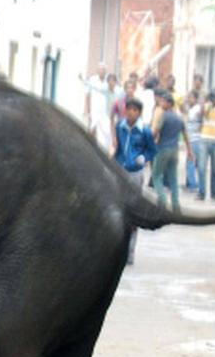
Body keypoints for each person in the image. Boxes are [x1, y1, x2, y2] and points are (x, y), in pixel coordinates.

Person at [112, 97, 158, 264]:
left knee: (132, 211)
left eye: (133, 110)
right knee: (117, 209)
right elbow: (118, 149)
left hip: (135, 174)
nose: (130, 113)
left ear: (138, 113)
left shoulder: (144, 131)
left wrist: (143, 158)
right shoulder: (120, 127)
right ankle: (117, 248)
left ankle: (130, 251)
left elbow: (152, 151)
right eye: (127, 109)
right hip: (119, 170)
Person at [151, 90, 194, 213]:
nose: (161, 103)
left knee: (156, 175)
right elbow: (185, 135)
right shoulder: (179, 118)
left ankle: (163, 200)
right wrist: (189, 151)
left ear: (169, 104)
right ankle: (176, 204)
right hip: (174, 150)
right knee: (173, 178)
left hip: (163, 149)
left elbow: (155, 132)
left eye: (163, 101)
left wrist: (150, 143)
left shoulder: (163, 116)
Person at [197, 88, 215, 201]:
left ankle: (214, 193)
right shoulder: (206, 106)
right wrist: (208, 103)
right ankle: (201, 193)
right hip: (205, 139)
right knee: (201, 167)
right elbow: (202, 114)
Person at [81, 64, 116, 152]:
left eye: (103, 70)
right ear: (97, 71)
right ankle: (89, 147)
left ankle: (103, 149)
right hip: (94, 109)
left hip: (105, 112)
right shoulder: (93, 80)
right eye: (100, 70)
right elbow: (88, 94)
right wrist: (87, 109)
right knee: (92, 128)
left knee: (105, 132)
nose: (102, 72)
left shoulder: (108, 82)